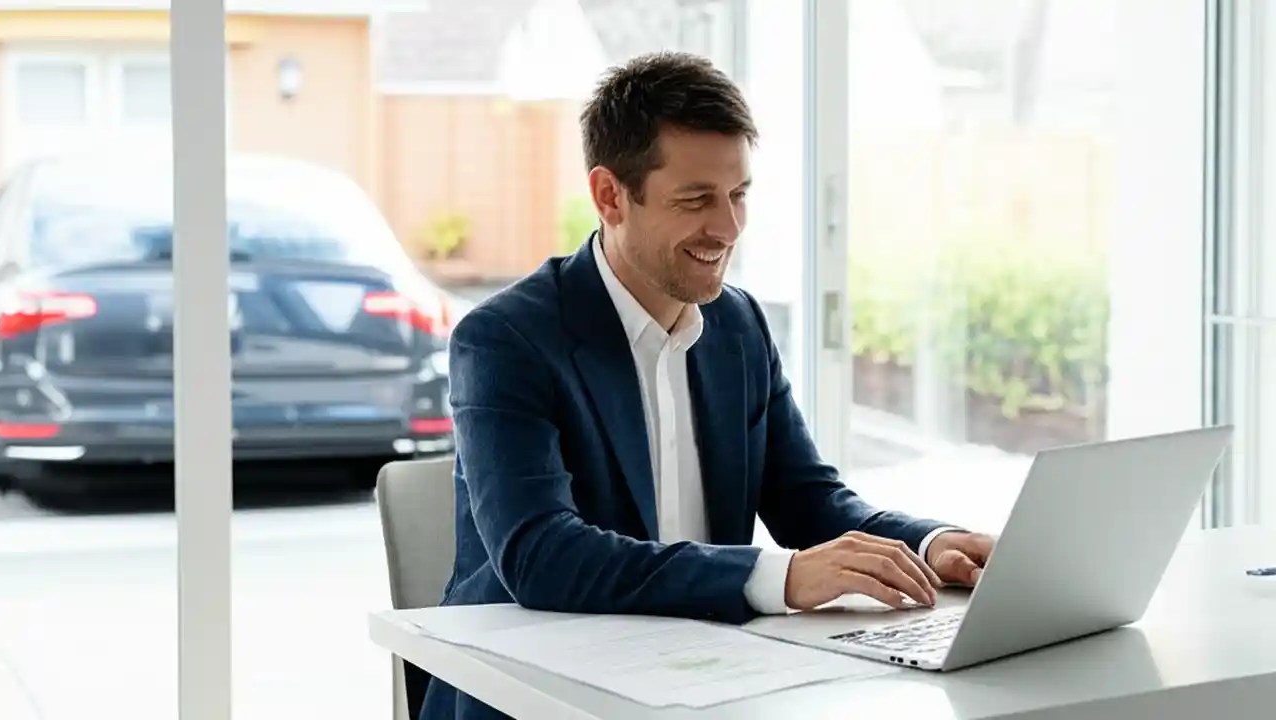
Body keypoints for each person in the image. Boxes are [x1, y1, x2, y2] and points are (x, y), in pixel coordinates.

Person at [419, 51, 996, 720]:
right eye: (696, 200)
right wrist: (776, 577)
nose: (727, 228)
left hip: (701, 686)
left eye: (738, 195)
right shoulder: (507, 339)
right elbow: (541, 554)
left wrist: (929, 546)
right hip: (532, 696)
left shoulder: (739, 325)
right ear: (610, 196)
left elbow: (808, 501)